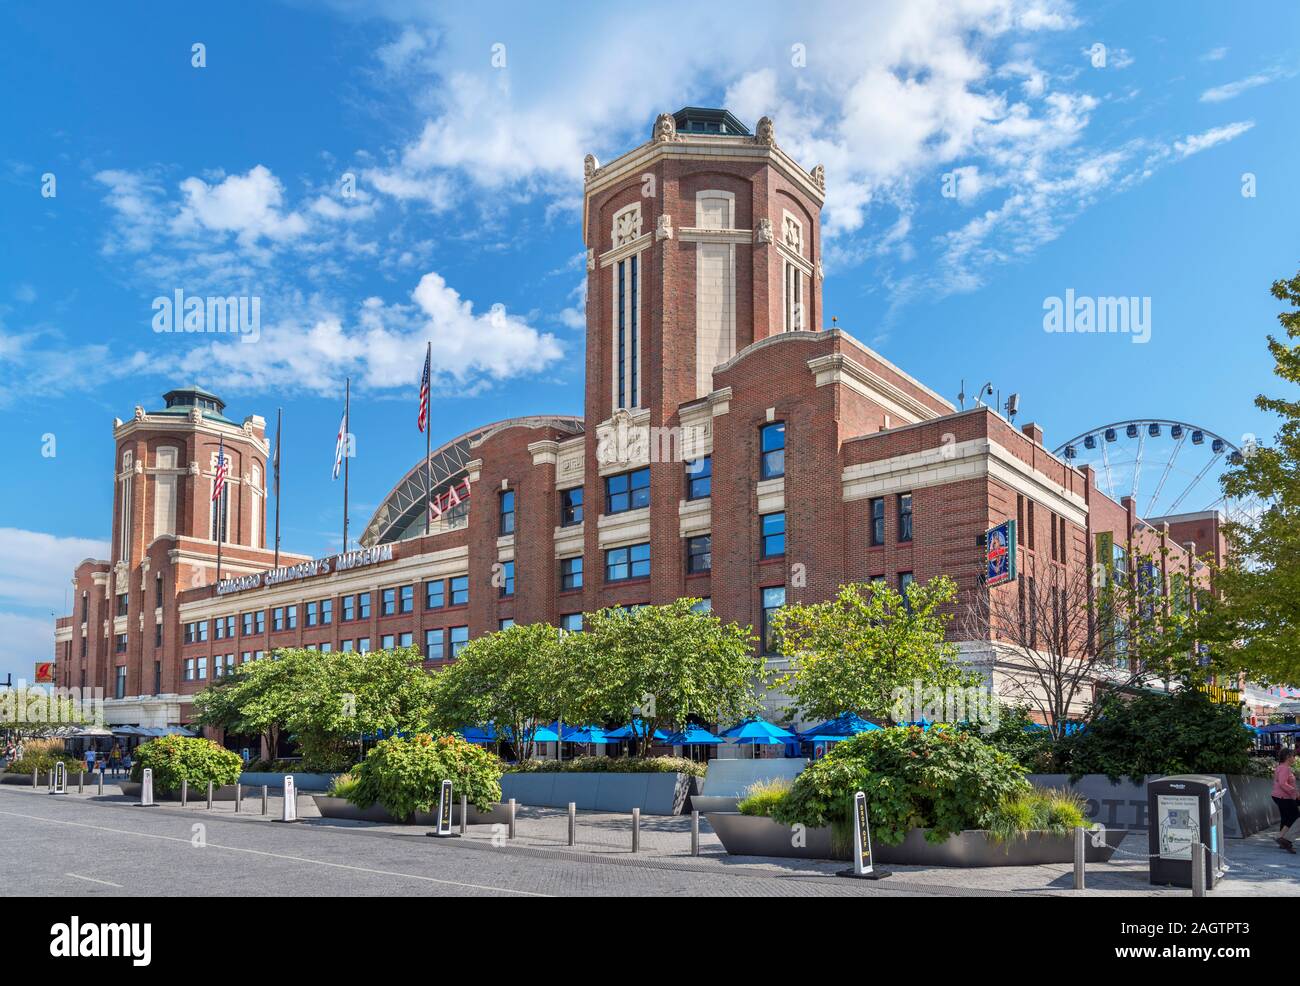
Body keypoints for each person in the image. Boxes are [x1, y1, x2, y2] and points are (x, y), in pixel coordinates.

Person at [1274, 747, 1299, 852]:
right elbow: (1282, 783)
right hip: (1284, 796)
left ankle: (1282, 841)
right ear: (1288, 757)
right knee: (1294, 816)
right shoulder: (1285, 768)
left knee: (1286, 817)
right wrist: (1295, 792)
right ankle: (1282, 838)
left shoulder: (1281, 767)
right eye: (1293, 756)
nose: (1295, 758)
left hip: (1281, 796)